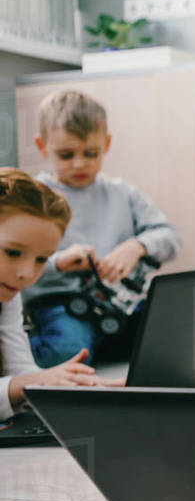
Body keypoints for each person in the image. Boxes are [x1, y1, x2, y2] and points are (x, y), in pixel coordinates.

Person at [24, 90, 182, 366]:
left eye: (91, 153)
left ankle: (98, 345)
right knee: (66, 350)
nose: (80, 163)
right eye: (66, 154)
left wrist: (137, 246)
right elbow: (16, 263)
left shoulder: (122, 193)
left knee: (174, 337)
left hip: (117, 301)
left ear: (106, 144)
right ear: (42, 146)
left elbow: (170, 237)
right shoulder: (34, 197)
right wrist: (58, 263)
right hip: (60, 303)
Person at [0, 168, 122, 421]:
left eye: (41, 259)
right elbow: (20, 383)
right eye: (12, 252)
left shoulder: (7, 293)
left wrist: (70, 386)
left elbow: (21, 370)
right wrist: (24, 384)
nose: (26, 273)